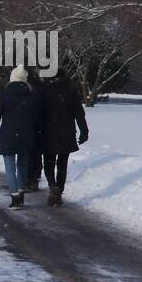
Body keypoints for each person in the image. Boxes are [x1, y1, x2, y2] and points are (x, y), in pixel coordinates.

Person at [0, 65, 42, 208]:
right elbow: (37, 118)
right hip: (26, 135)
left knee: (10, 167)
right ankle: (21, 192)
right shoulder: (32, 96)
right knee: (22, 166)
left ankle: (15, 197)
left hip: (7, 135)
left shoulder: (5, 95)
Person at [39, 73, 89, 207]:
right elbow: (80, 115)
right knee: (62, 164)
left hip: (48, 133)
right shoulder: (71, 93)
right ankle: (59, 190)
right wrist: (84, 132)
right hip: (66, 133)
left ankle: (52, 185)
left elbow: (38, 113)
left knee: (48, 162)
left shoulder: (46, 92)